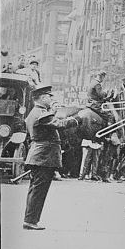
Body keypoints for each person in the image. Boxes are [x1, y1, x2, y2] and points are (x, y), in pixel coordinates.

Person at [22, 85, 79, 230]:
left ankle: (30, 219)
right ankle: (31, 220)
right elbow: (59, 124)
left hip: (39, 155)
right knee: (39, 191)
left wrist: (53, 110)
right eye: (49, 96)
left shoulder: (35, 112)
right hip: (44, 156)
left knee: (35, 189)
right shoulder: (41, 113)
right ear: (41, 98)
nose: (51, 98)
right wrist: (76, 119)